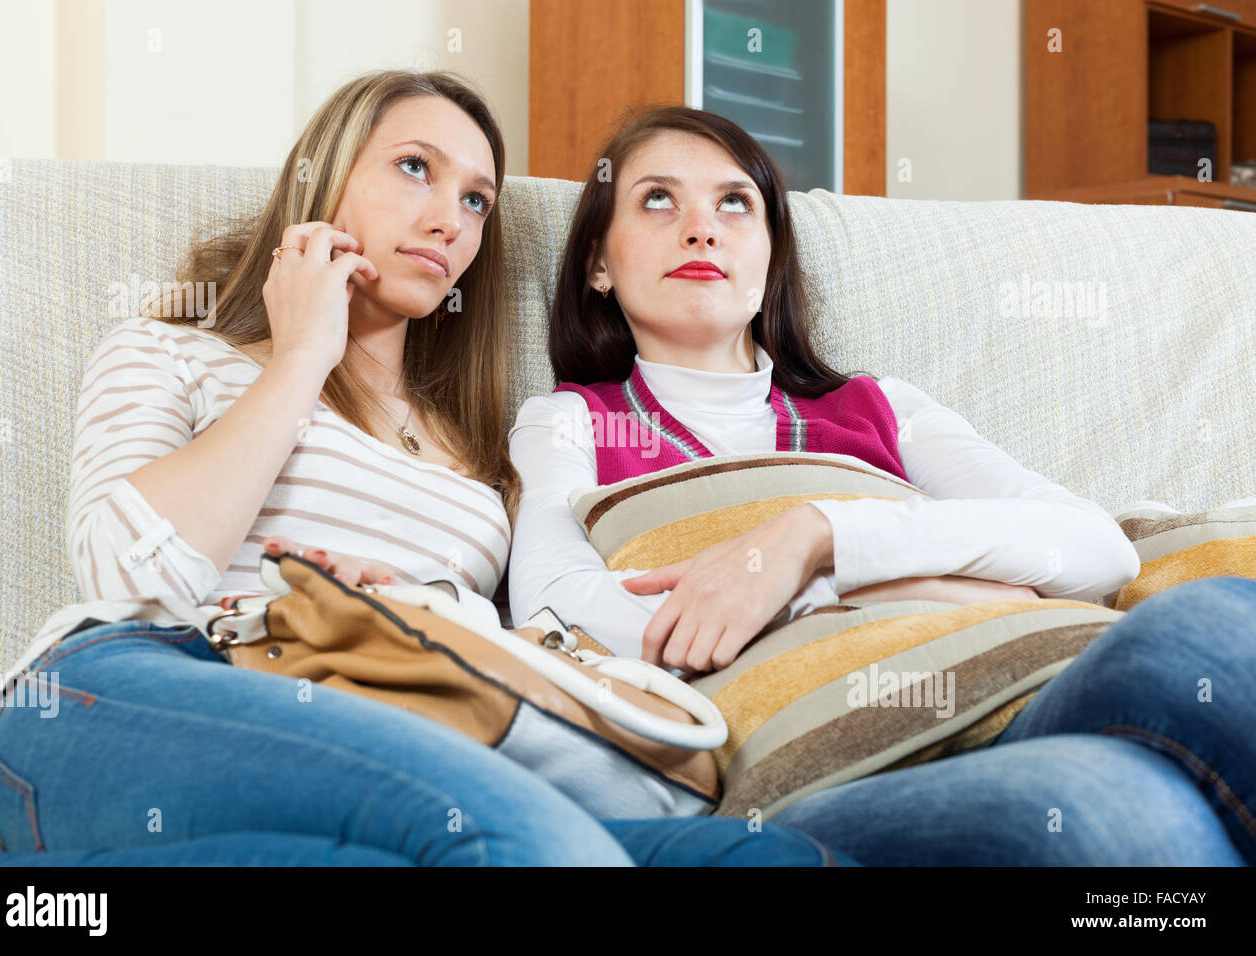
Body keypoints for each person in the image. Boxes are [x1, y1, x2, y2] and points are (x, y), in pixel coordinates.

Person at [0, 72, 851, 868]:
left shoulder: (479, 452)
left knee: (770, 859)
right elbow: (132, 574)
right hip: (146, 685)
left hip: (398, 729)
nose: (448, 219)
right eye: (416, 169)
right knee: (529, 849)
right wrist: (301, 358)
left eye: (476, 201)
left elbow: (521, 646)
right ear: (324, 177)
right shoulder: (175, 354)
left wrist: (413, 606)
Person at [505, 104, 1255, 865]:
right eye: (657, 199)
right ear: (598, 262)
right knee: (1112, 807)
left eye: (735, 202)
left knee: (1208, 626)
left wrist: (822, 535)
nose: (702, 228)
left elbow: (1098, 549)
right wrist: (837, 586)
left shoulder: (882, 407)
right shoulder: (569, 422)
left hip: (1027, 687)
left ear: (770, 261)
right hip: (827, 767)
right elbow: (555, 609)